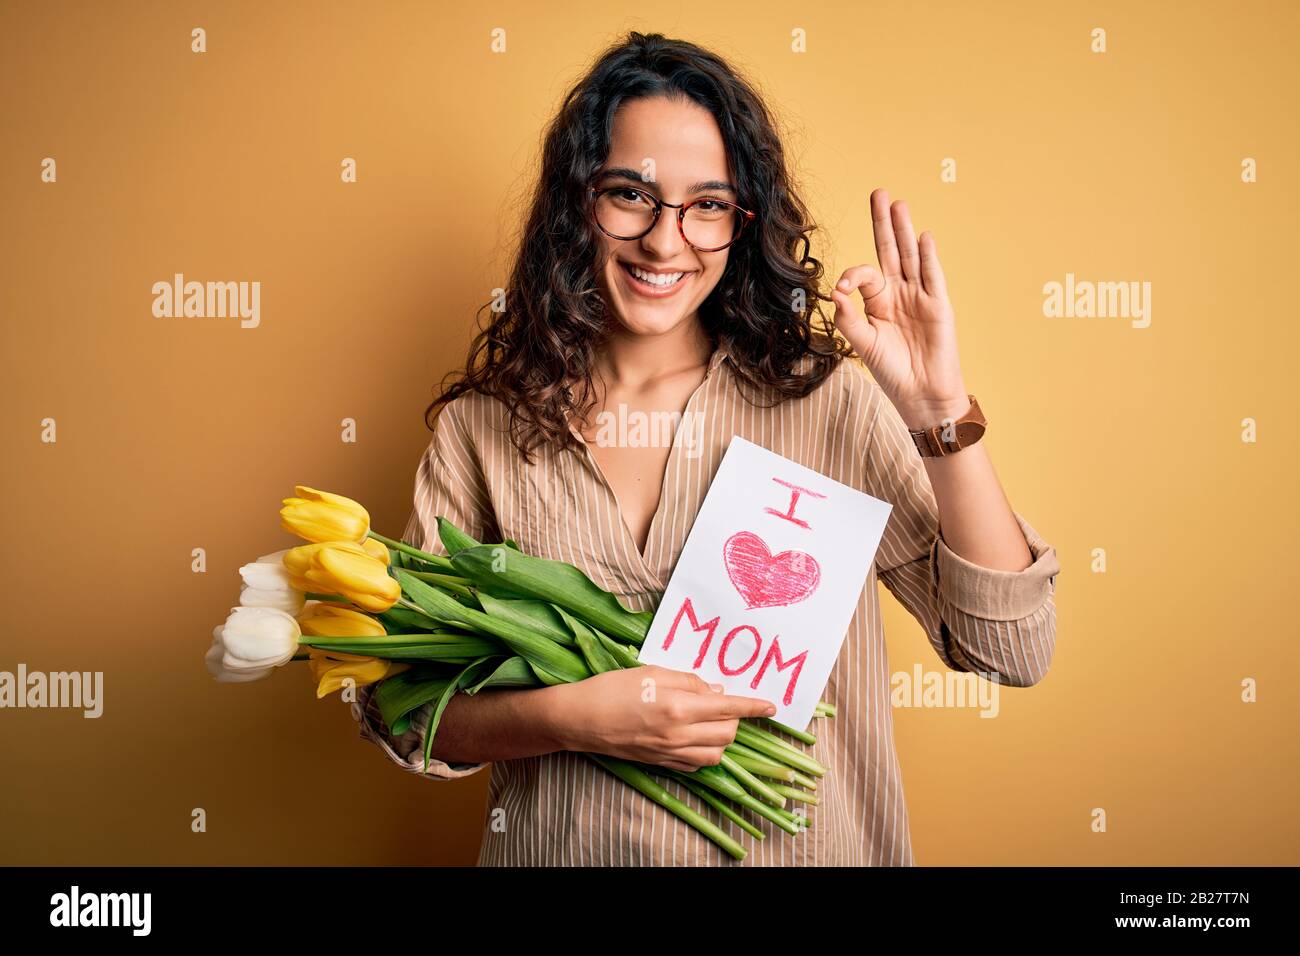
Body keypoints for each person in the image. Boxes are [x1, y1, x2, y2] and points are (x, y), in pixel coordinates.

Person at [351, 31, 1060, 866]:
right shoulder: (483, 430)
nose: (664, 240)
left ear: (742, 222)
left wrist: (940, 413)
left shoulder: (829, 404)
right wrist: (572, 716)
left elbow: (1010, 650)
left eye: (709, 205)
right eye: (630, 195)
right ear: (577, 202)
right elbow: (400, 707)